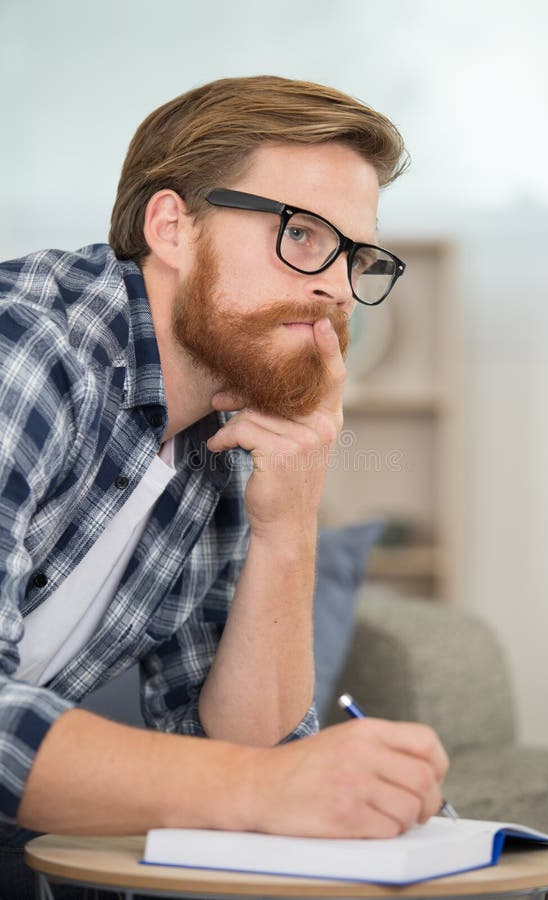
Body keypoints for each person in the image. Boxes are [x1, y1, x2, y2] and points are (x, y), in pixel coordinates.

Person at [0, 75, 449, 896]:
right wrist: (262, 790)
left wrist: (291, 522)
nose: (339, 291)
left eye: (358, 256)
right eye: (304, 236)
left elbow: (244, 748)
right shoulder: (29, 351)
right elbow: (254, 786)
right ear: (172, 227)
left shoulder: (221, 425)